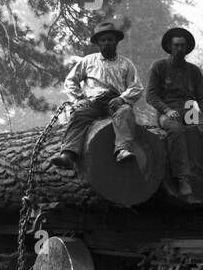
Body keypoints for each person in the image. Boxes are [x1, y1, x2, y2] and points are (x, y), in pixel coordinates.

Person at [145, 27, 203, 198]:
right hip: (168, 110)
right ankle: (183, 179)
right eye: (176, 45)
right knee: (176, 130)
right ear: (169, 46)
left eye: (183, 46)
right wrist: (166, 110)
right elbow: (151, 95)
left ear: (187, 48)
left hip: (189, 108)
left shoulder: (193, 71)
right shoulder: (159, 67)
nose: (180, 49)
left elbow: (202, 96)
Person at [51, 20, 143, 170]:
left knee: (125, 112)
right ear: (98, 43)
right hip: (92, 101)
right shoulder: (88, 61)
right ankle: (68, 155)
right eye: (103, 40)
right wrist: (79, 99)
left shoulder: (126, 64)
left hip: (115, 101)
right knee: (79, 115)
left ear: (116, 42)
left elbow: (137, 87)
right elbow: (70, 80)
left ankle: (122, 150)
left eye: (110, 40)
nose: (107, 43)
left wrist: (122, 99)